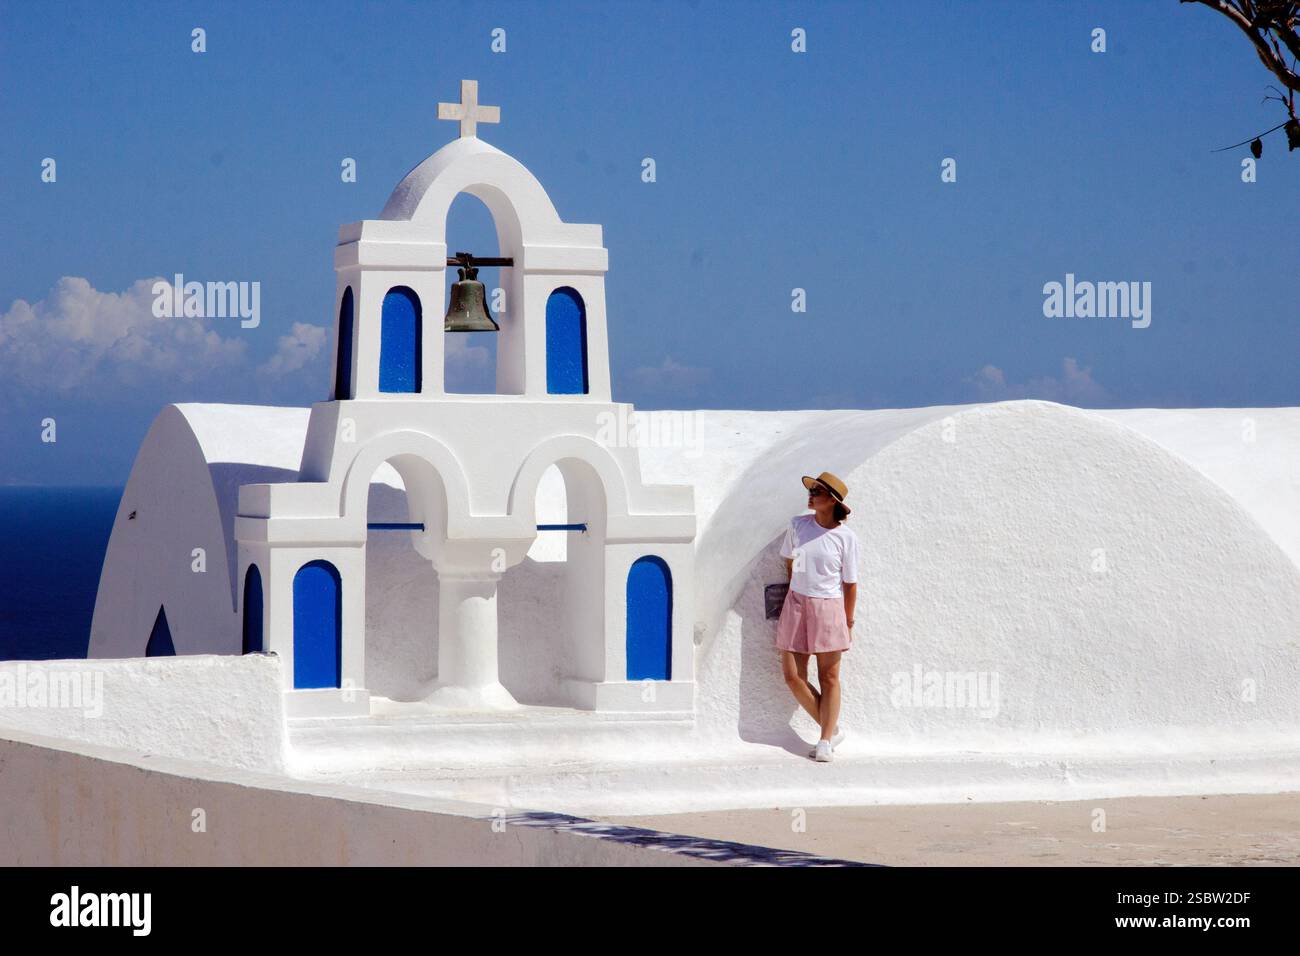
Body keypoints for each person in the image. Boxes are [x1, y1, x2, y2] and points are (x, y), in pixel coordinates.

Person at [775, 471, 859, 762]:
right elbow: (790, 563)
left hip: (829, 606)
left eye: (818, 491)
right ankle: (832, 728)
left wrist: (848, 621)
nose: (811, 494)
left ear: (833, 501)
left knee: (829, 676)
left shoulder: (845, 537)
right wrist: (794, 593)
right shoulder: (798, 526)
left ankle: (824, 741)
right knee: (793, 676)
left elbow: (849, 583)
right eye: (811, 490)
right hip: (796, 603)